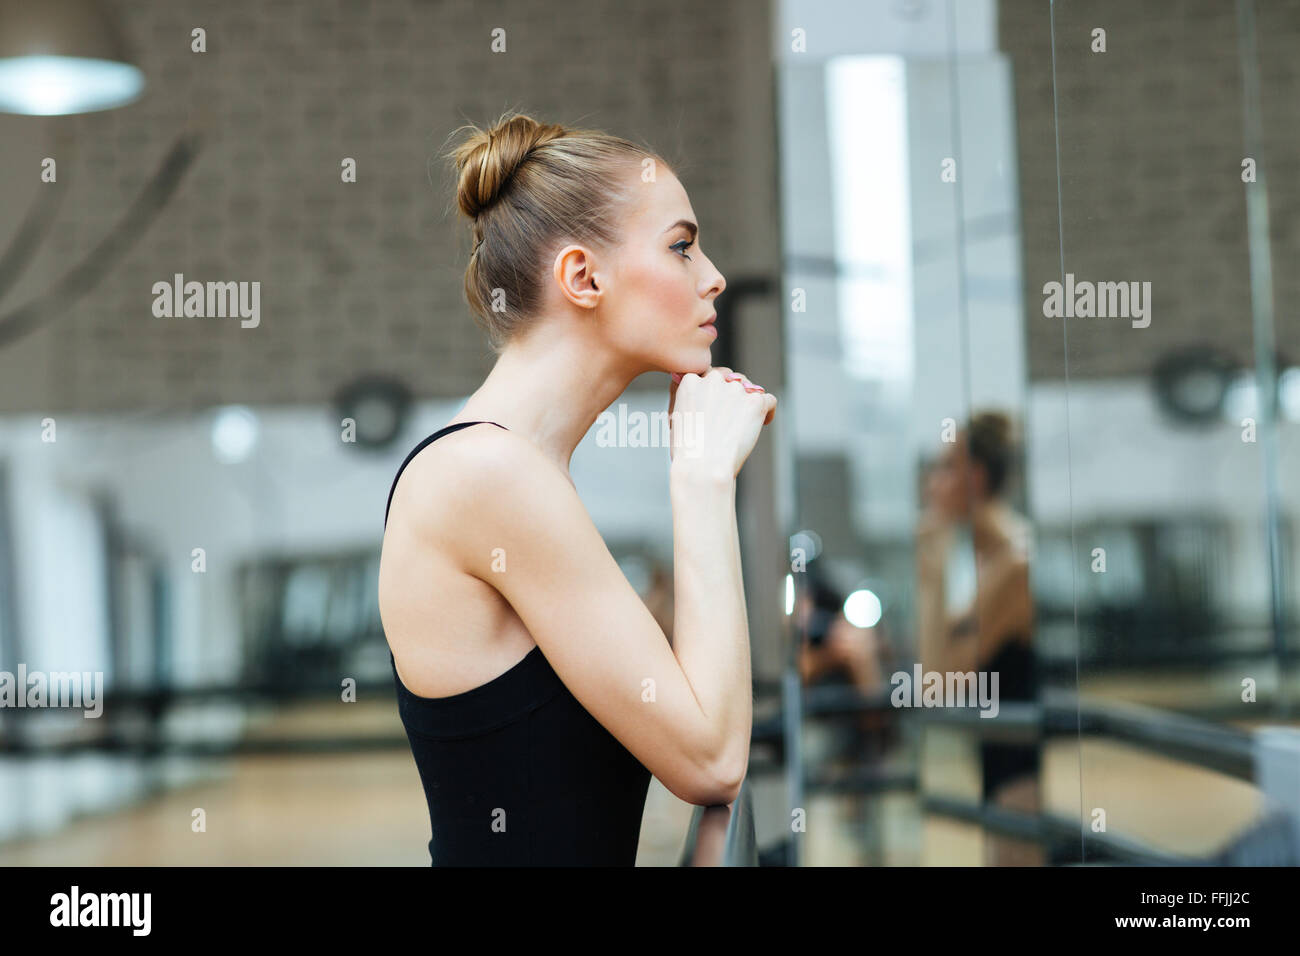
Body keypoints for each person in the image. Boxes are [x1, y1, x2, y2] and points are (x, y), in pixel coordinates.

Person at [377, 111, 778, 865]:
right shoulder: (487, 477)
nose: (713, 275)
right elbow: (712, 759)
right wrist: (700, 475)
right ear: (583, 277)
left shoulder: (517, 472)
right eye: (682, 247)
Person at [915, 411, 1043, 866]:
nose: (933, 481)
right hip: (999, 772)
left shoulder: (1013, 561)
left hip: (1022, 781)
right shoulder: (992, 558)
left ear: (977, 477)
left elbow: (938, 683)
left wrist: (933, 562)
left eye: (946, 466)